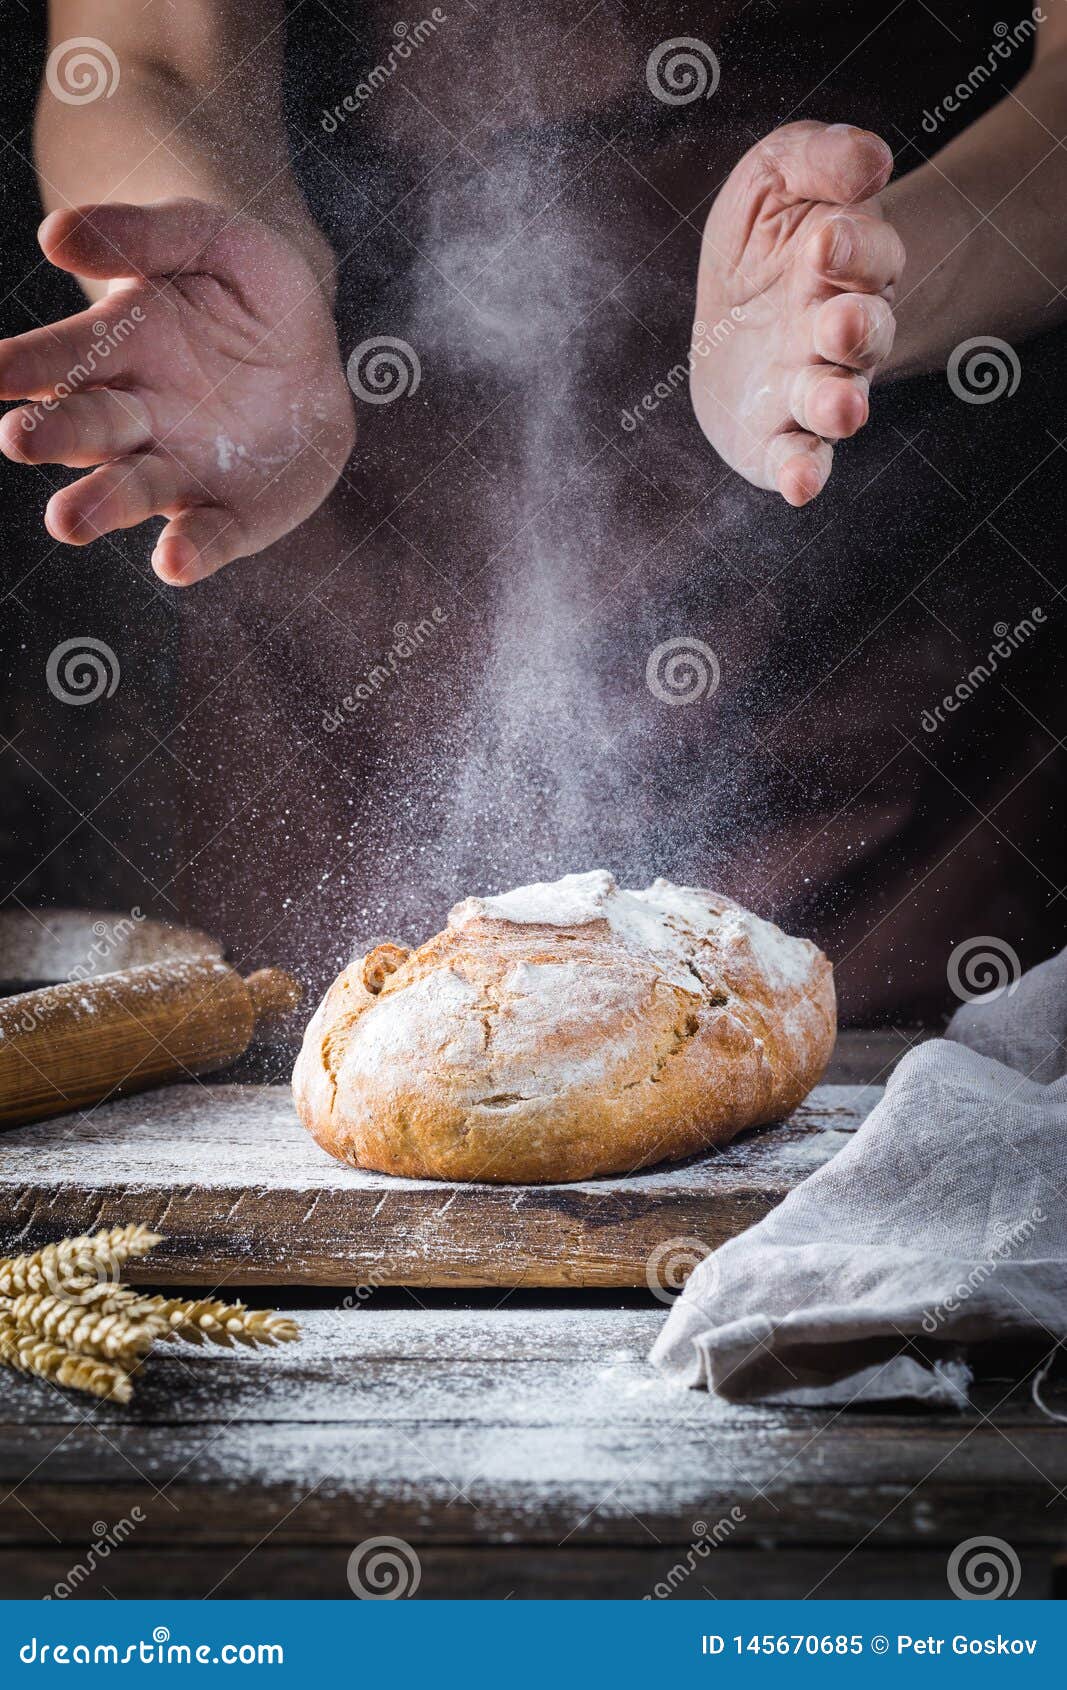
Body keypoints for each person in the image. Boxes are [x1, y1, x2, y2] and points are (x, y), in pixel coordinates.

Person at [2, 1, 1063, 1025]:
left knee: (881, 1131)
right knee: (337, 1108)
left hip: (874, 557)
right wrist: (215, 242)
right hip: (348, 515)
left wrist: (863, 273)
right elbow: (142, 61)